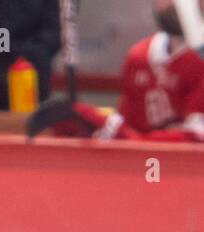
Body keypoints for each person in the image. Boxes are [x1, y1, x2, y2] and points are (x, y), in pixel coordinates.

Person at [58, 0, 204, 142]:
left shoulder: (198, 60)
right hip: (147, 162)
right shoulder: (139, 57)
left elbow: (195, 136)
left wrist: (131, 138)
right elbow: (128, 125)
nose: (179, 4)